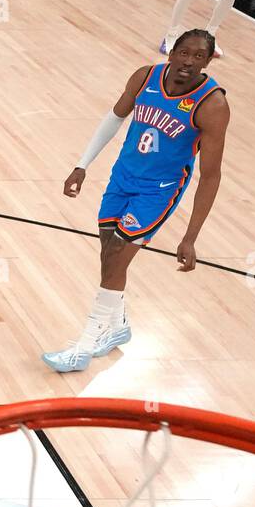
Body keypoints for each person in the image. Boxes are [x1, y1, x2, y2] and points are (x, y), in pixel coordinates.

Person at [42, 31, 229, 373]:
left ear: (208, 61)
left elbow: (211, 175)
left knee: (115, 258)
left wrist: (190, 236)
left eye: (198, 56)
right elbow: (114, 118)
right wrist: (82, 165)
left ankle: (83, 347)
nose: (189, 61)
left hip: (159, 189)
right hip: (122, 176)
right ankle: (117, 326)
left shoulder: (212, 104)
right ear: (172, 52)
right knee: (108, 254)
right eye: (183, 52)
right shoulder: (145, 76)